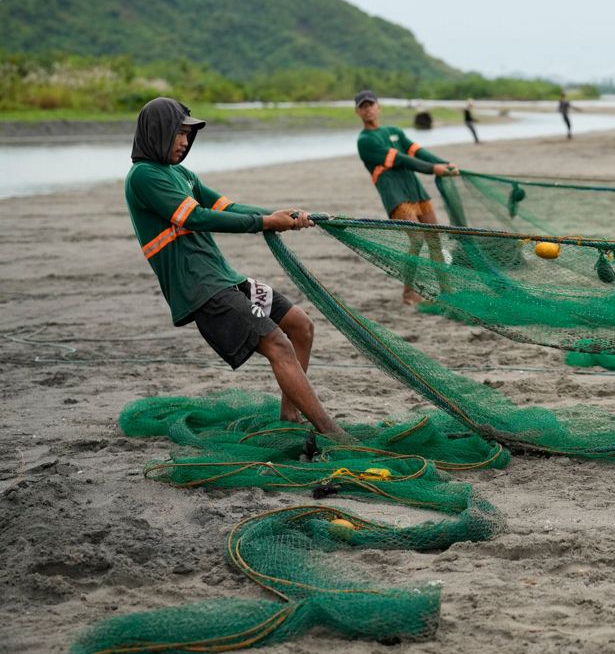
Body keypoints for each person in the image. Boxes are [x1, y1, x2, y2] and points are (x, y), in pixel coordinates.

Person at [124, 97, 351, 441]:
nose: (185, 142)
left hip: (227, 279)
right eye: (179, 134)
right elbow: (197, 217)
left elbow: (225, 206)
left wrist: (282, 216)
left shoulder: (181, 174)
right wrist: (263, 222)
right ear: (158, 132)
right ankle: (333, 433)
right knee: (278, 344)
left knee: (300, 326)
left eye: (188, 135)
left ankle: (290, 417)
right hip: (203, 289)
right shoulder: (144, 176)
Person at [354, 90, 460, 303]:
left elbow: (418, 152)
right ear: (358, 111)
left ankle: (446, 290)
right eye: (363, 106)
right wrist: (434, 169)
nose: (368, 109)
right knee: (417, 238)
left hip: (415, 189)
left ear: (378, 107)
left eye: (371, 105)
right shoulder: (365, 141)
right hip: (395, 194)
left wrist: (445, 163)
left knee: (434, 239)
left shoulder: (394, 131)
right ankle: (408, 292)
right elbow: (402, 159)